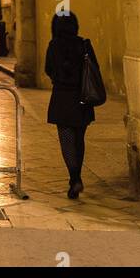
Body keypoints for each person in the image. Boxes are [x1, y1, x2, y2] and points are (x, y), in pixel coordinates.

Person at [45, 11, 103, 199]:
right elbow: (95, 68)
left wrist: (59, 77)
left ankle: (74, 178)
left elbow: (48, 69)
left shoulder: (53, 46)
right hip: (82, 98)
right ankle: (76, 177)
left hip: (62, 97)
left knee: (67, 140)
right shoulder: (83, 44)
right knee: (79, 139)